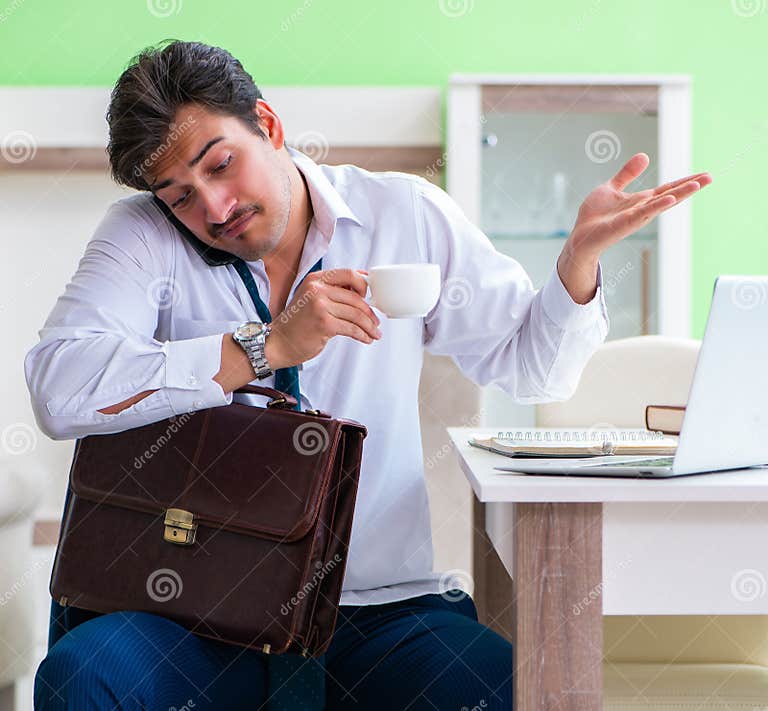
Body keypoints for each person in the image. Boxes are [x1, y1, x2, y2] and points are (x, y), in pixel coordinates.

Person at [24, 40, 711, 710]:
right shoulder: (141, 236)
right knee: (85, 676)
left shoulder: (404, 215)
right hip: (190, 612)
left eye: (221, 165)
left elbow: (533, 368)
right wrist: (264, 347)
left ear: (268, 124)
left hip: (379, 611)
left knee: (507, 685)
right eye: (178, 196)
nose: (213, 207)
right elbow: (60, 387)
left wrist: (577, 267)